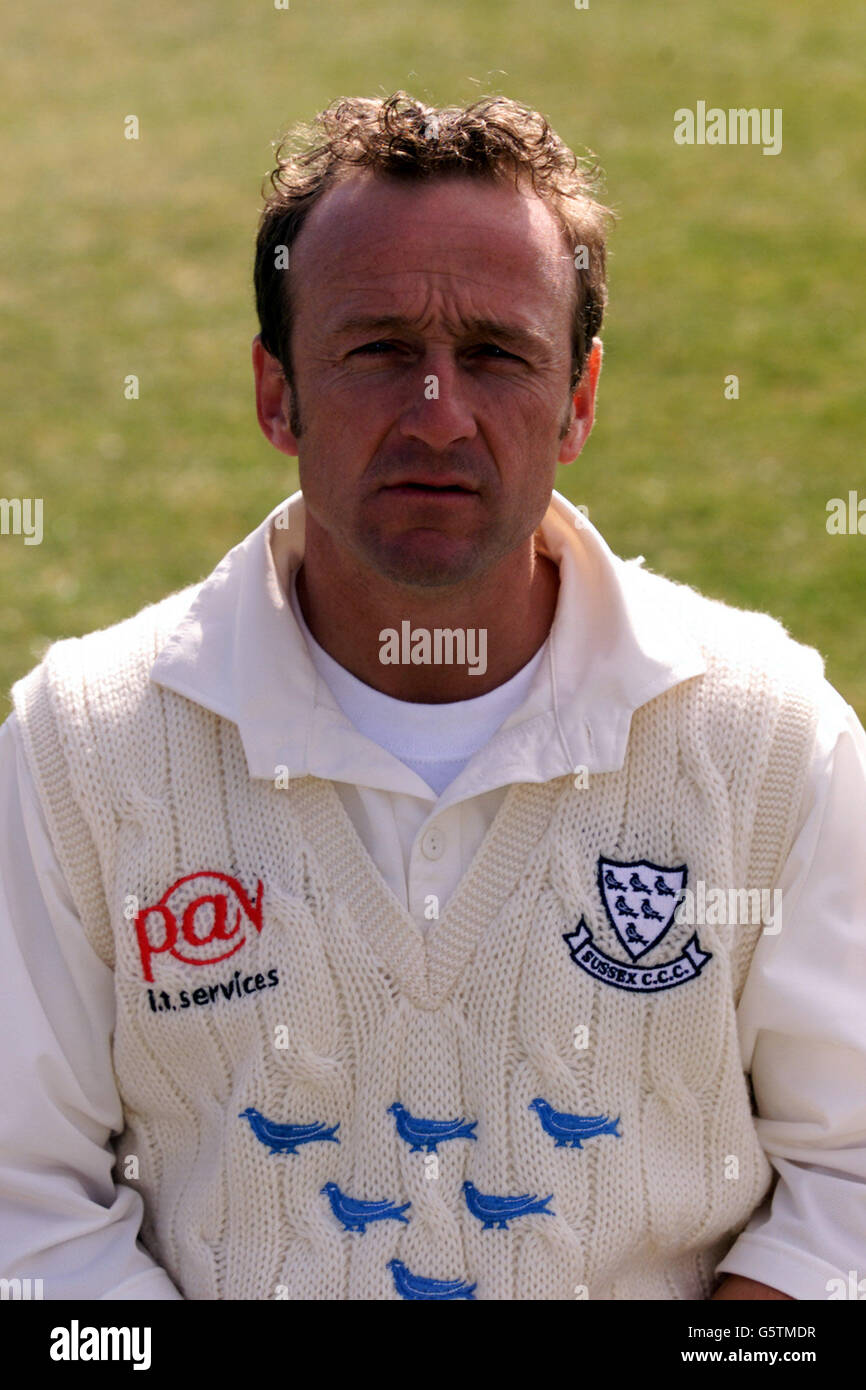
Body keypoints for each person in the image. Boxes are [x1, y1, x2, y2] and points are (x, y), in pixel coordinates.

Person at [1, 91, 864, 1302]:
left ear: (578, 398)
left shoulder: (767, 736)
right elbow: (21, 1212)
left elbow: (850, 1185)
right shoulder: (79, 748)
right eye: (378, 350)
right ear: (275, 390)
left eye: (497, 355)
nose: (436, 412)